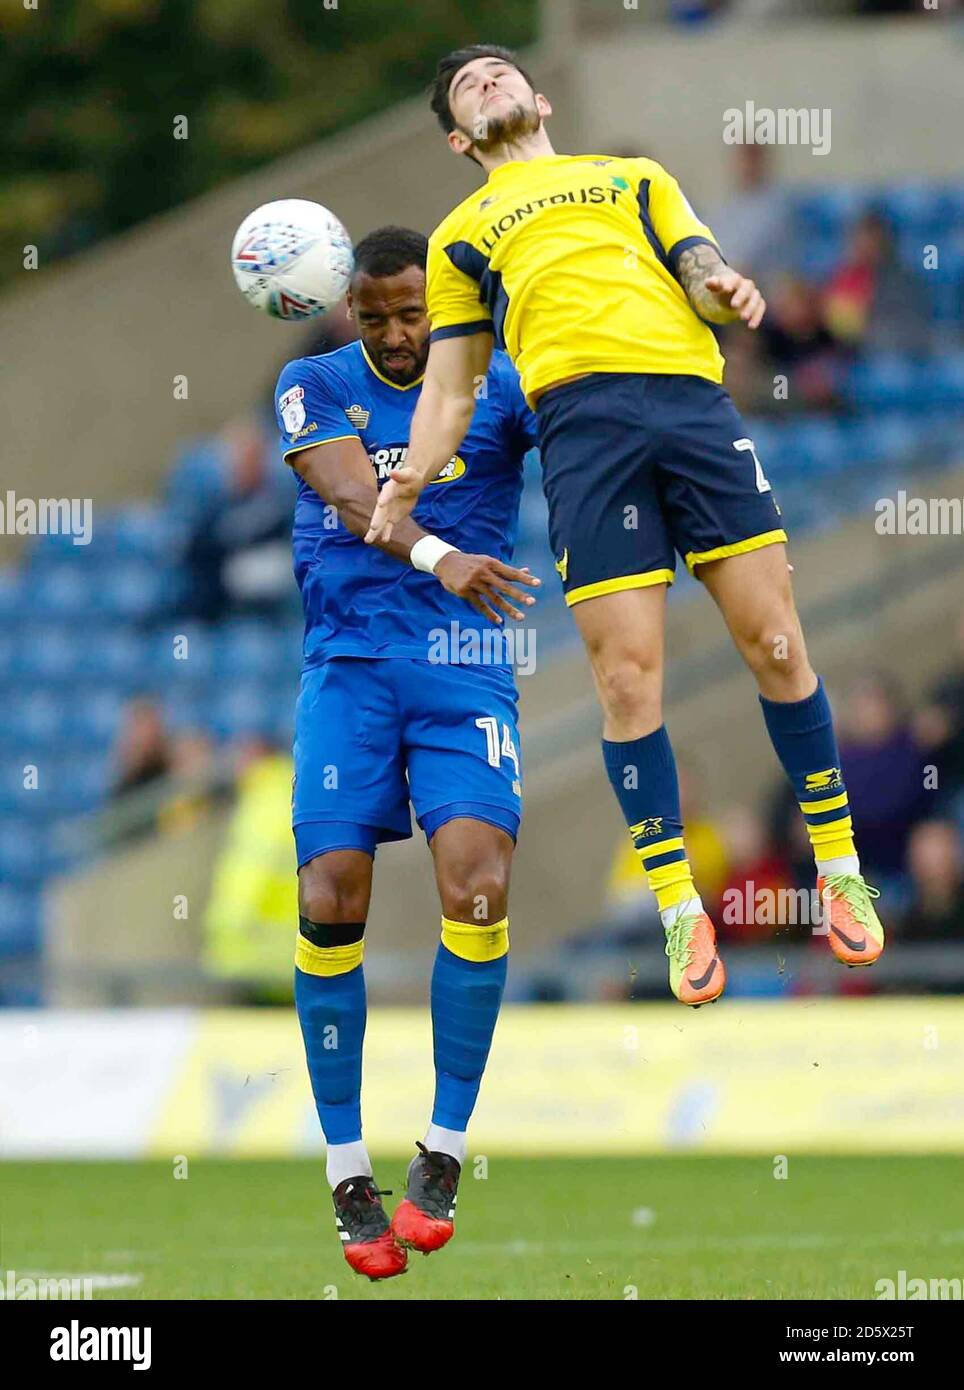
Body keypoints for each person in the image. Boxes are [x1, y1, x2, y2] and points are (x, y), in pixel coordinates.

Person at [365, 43, 885, 1008]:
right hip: (582, 433)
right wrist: (410, 484)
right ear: (455, 136)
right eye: (468, 86)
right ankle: (681, 905)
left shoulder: (630, 178)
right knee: (624, 676)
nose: (488, 82)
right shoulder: (460, 237)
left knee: (774, 640)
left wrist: (721, 287)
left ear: (540, 95)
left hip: (691, 408)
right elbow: (450, 384)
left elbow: (694, 261)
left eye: (499, 72)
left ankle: (839, 863)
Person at [274, 226, 539, 1280]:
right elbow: (350, 495)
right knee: (332, 891)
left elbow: (591, 441)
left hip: (465, 664)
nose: (393, 333)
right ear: (347, 309)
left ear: (444, 304)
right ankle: (347, 1167)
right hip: (348, 665)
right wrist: (444, 555)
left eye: (411, 312)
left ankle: (443, 1149)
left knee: (477, 883)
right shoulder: (313, 381)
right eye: (373, 314)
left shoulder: (501, 386)